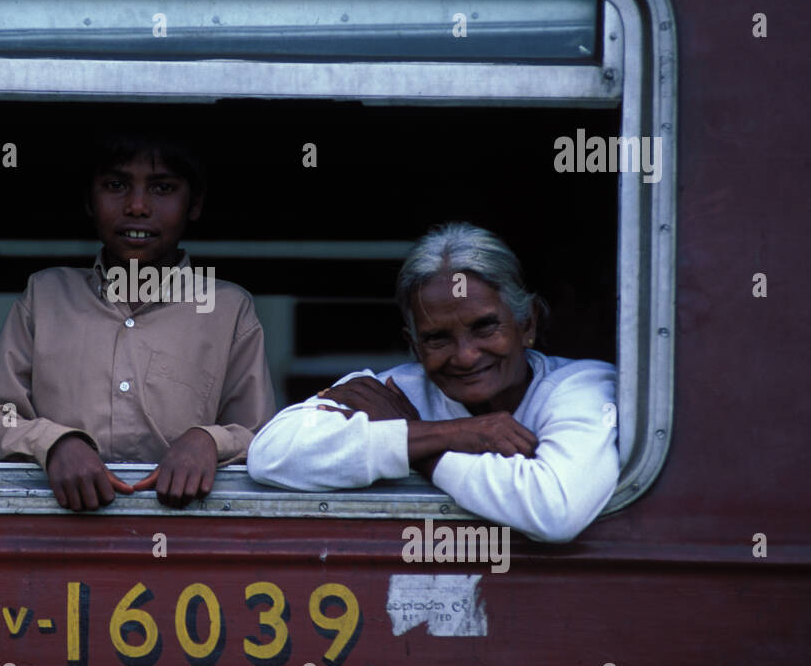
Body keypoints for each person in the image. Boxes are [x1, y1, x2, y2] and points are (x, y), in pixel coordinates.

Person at [0, 133, 277, 511]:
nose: (138, 206)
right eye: (115, 185)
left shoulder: (227, 309)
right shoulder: (45, 296)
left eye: (163, 187)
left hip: (188, 547)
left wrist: (209, 441)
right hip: (57, 538)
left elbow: (262, 438)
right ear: (88, 201)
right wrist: (53, 443)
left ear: (194, 204)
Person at [247, 222, 617, 543]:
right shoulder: (391, 390)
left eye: (485, 327)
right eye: (437, 338)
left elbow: (555, 509)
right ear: (414, 346)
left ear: (528, 323)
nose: (466, 355)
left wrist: (420, 445)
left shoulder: (582, 385)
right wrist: (452, 433)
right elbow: (271, 454)